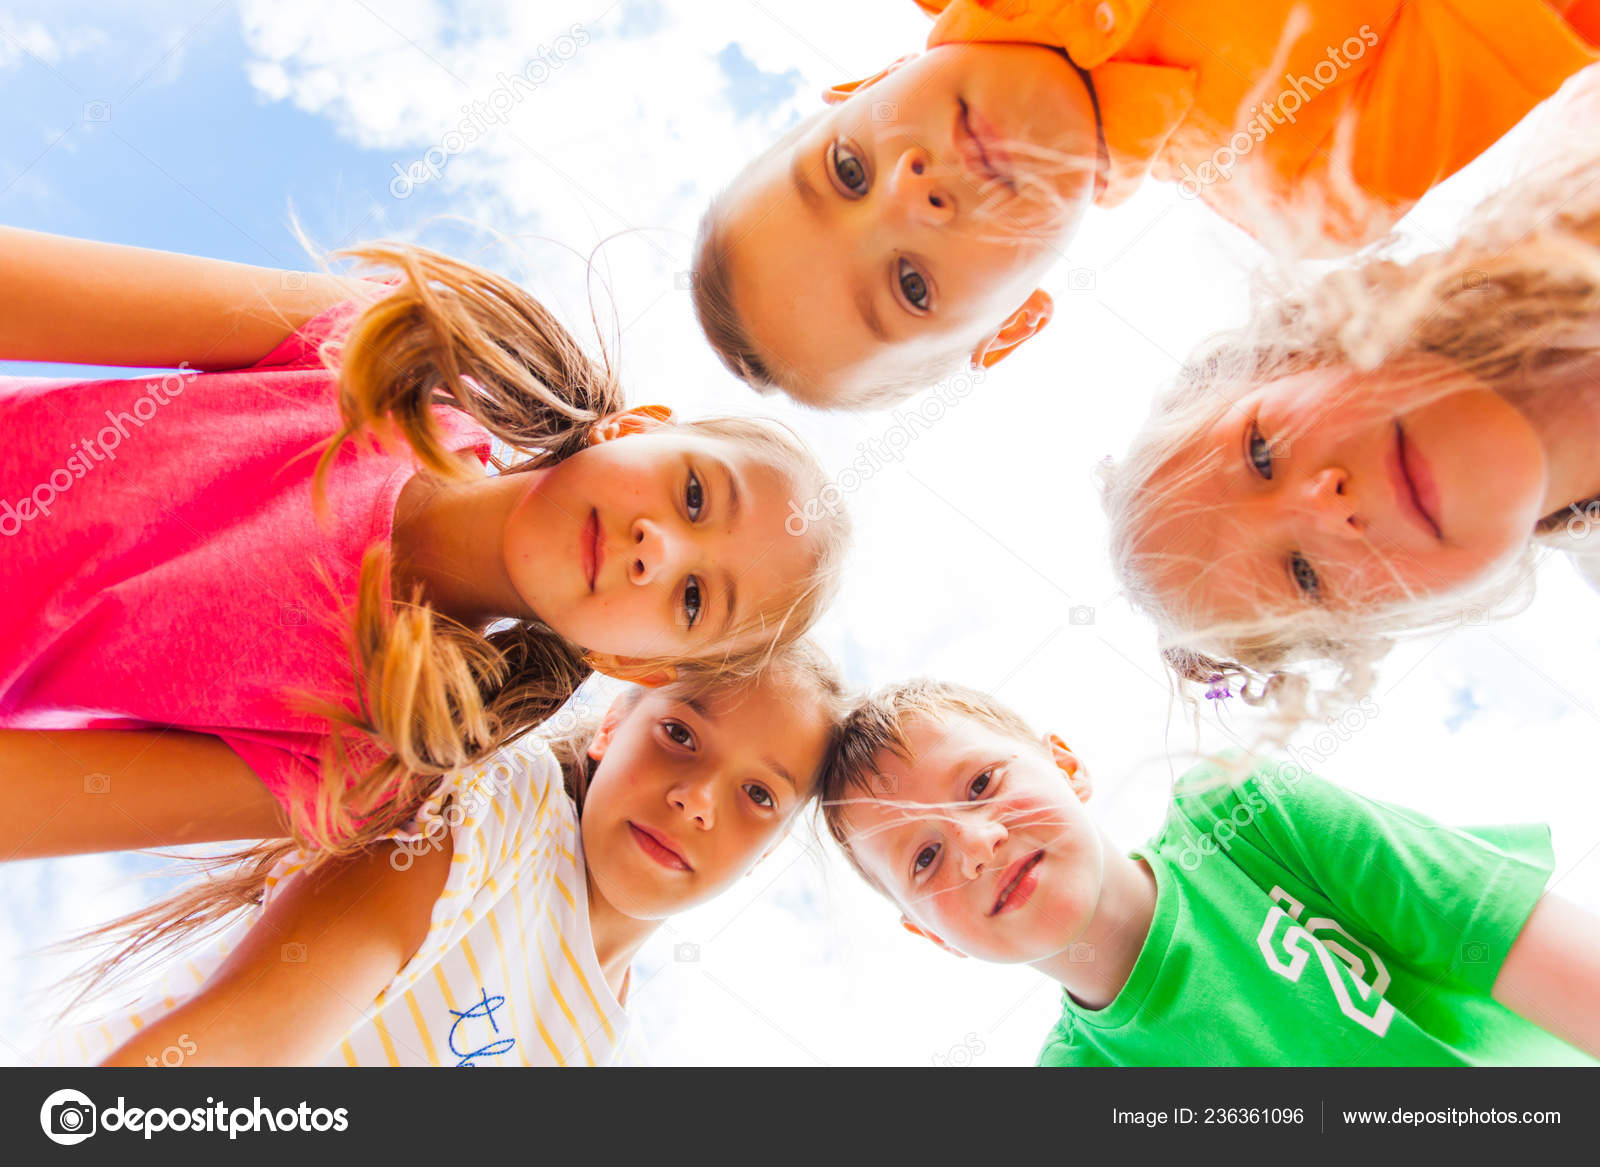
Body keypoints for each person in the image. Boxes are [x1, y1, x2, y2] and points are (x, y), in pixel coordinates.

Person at [821, 679, 1599, 1064]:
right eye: (924, 857)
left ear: (1066, 764)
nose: (979, 843)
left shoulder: (1249, 813)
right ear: (929, 934)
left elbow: (1551, 961)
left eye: (983, 783)